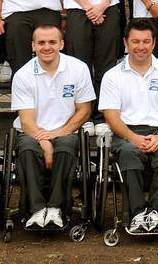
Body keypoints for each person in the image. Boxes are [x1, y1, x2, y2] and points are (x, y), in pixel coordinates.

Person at [98, 19, 158, 234]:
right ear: (125, 43)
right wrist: (132, 137)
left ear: (154, 43)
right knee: (129, 152)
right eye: (135, 41)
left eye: (146, 41)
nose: (141, 46)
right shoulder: (112, 76)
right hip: (127, 132)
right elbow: (111, 116)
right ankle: (136, 215)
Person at [9, 23, 95, 230]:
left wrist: (56, 135)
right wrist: (45, 141)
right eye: (41, 43)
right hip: (31, 132)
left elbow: (84, 110)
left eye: (52, 42)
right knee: (28, 148)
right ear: (33, 46)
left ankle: (56, 208)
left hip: (65, 130)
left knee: (65, 146)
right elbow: (27, 121)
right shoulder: (23, 75)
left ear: (61, 44)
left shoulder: (78, 68)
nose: (47, 47)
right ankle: (37, 210)